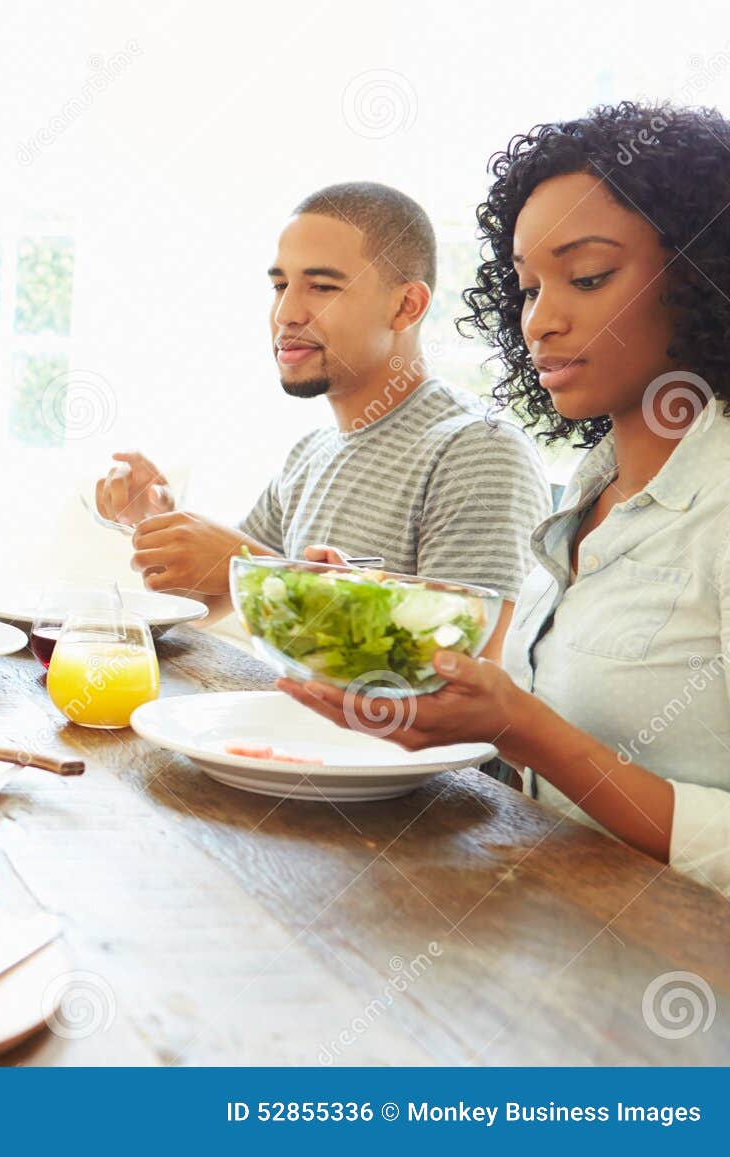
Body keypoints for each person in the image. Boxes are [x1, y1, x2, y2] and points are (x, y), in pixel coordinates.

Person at [281, 103, 730, 897]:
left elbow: (541, 734)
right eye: (525, 288)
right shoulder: (593, 491)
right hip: (561, 931)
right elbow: (529, 717)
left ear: (701, 273)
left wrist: (526, 730)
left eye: (587, 278)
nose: (541, 321)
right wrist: (368, 614)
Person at [96, 182, 550, 658]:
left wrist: (253, 569)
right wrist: (159, 523)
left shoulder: (479, 450)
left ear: (406, 306)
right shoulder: (310, 455)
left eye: (322, 287)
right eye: (279, 286)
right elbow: (205, 601)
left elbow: (474, 662)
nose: (286, 312)